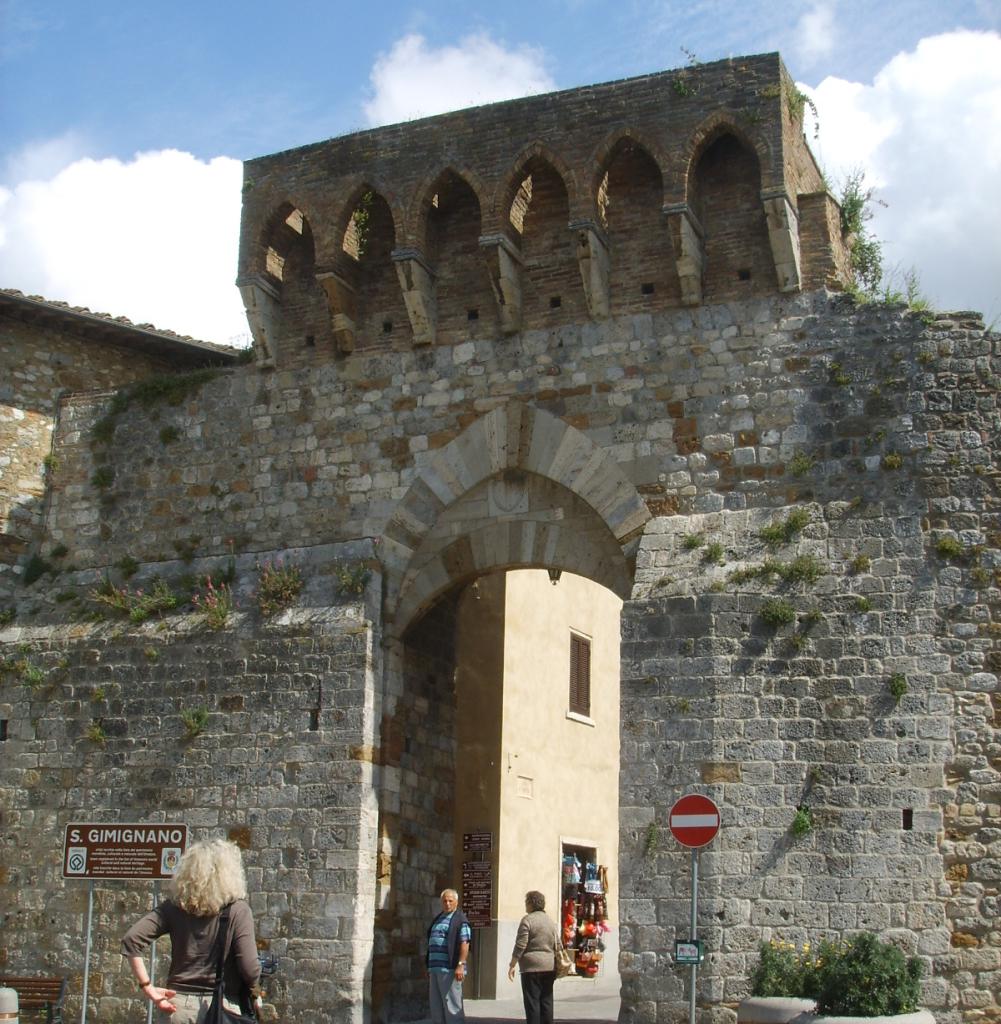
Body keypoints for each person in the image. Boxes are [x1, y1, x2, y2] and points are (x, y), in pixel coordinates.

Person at [122, 837, 262, 1022]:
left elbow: (131, 939)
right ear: (230, 873)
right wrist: (256, 991)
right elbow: (249, 968)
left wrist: (148, 988)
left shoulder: (173, 907)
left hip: (176, 1008)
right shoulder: (238, 910)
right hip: (222, 1008)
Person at [507, 891, 558, 1024]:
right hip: (549, 966)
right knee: (546, 1002)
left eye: (526, 902)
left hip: (531, 968)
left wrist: (512, 964)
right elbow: (557, 943)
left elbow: (521, 945)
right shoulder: (550, 921)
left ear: (531, 903)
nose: (525, 905)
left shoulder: (527, 920)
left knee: (532, 1004)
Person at [426, 888, 471, 1024]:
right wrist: (428, 965)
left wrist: (460, 965)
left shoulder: (460, 920)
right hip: (435, 969)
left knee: (452, 1007)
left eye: (450, 901)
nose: (447, 903)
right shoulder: (438, 918)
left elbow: (465, 943)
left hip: (450, 969)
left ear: (456, 902)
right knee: (436, 1007)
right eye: (445, 901)